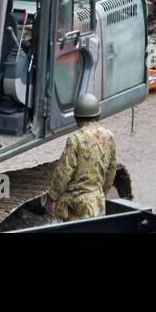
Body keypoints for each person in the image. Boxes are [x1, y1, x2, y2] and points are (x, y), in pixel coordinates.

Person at [46, 93, 117, 222]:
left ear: (76, 117)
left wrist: (53, 197)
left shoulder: (75, 139)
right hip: (98, 199)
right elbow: (111, 169)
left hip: (78, 204)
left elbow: (63, 172)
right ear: (98, 115)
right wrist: (103, 192)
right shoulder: (109, 136)